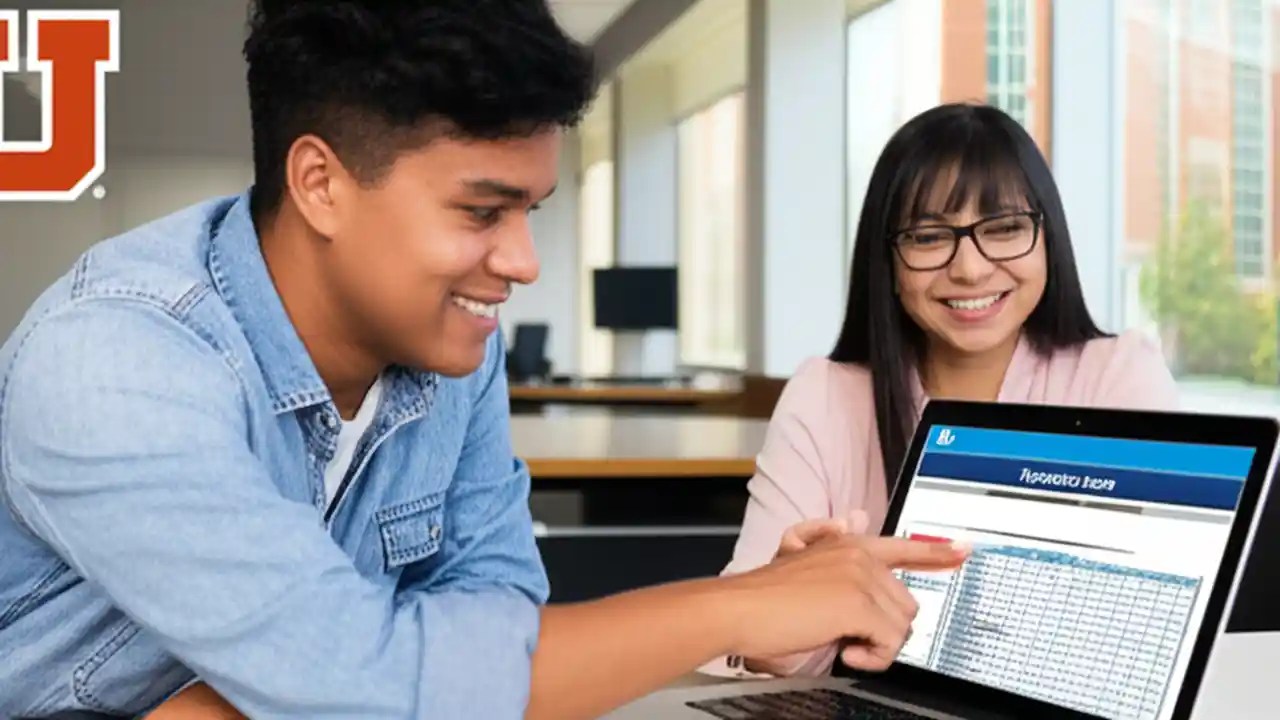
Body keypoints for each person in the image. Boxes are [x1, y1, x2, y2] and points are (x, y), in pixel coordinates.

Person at [0, 2, 968, 719]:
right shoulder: (116, 366)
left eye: (528, 212)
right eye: (480, 211)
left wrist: (287, 688)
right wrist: (735, 609)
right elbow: (378, 691)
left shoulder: (447, 345)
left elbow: (497, 598)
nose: (521, 263)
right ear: (320, 184)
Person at [716, 103, 1179, 678]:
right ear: (887, 259)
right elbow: (726, 657)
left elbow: (1140, 631)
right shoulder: (825, 396)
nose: (970, 269)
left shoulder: (1119, 376)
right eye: (930, 236)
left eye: (1005, 228)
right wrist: (773, 621)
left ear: (1047, 236)